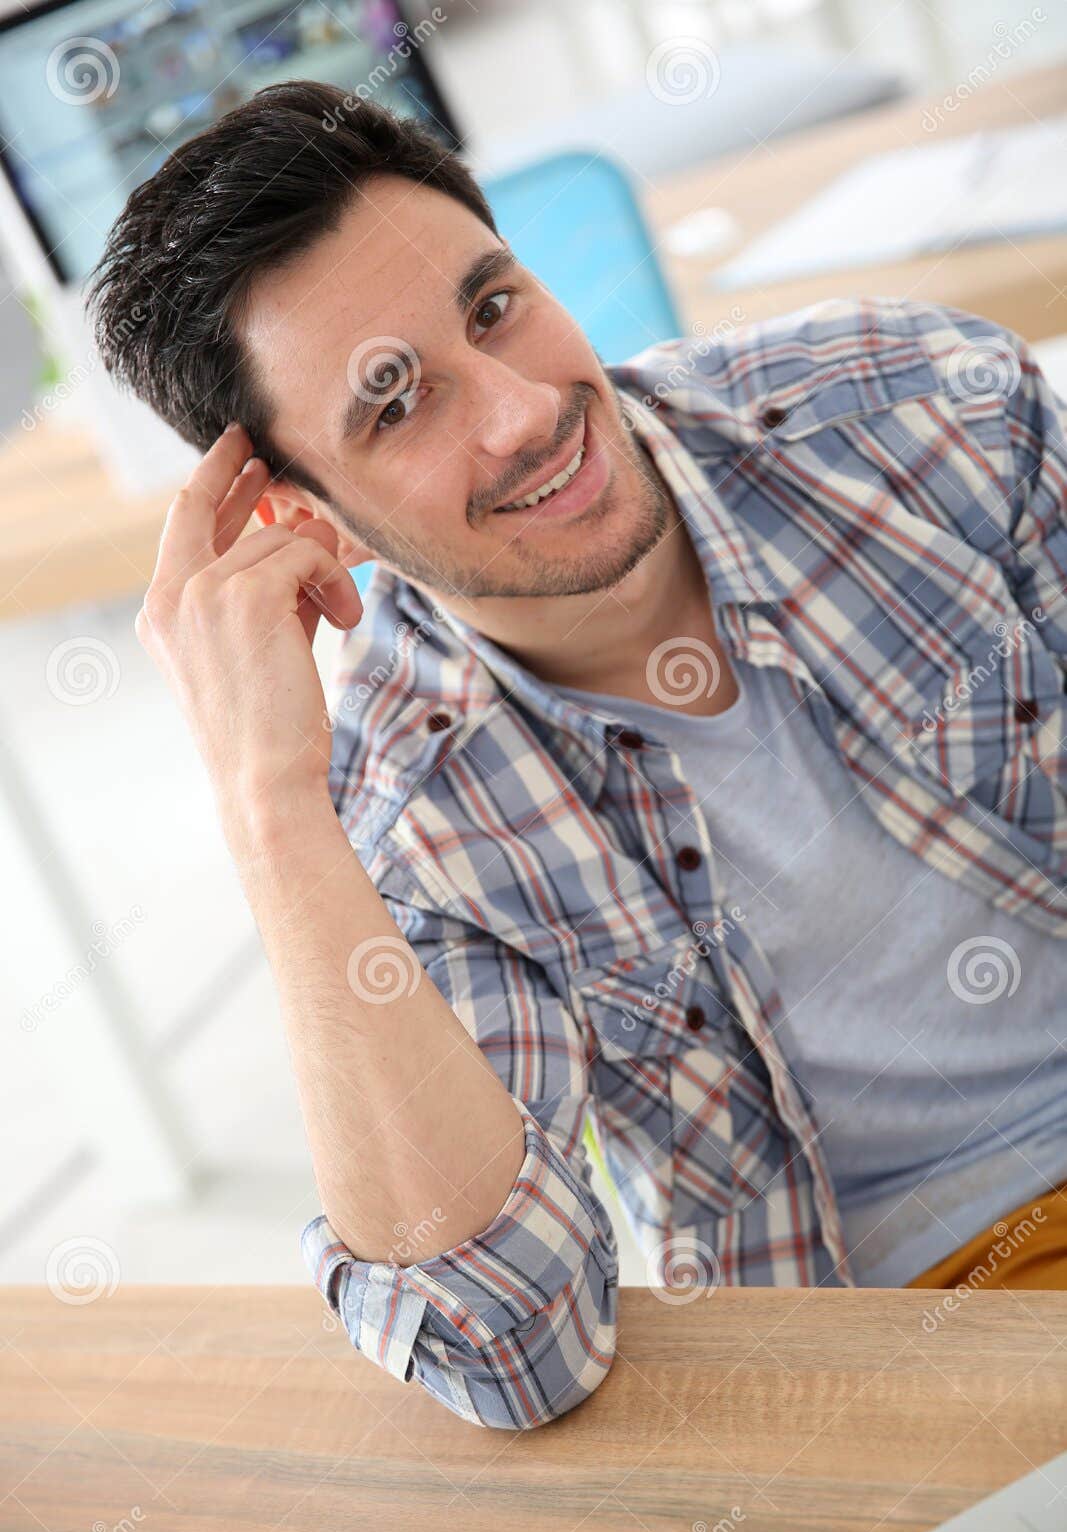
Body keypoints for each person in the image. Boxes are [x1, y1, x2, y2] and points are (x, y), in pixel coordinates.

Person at [87, 81, 1067, 1432]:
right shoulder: (415, 817)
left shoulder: (922, 413)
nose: (521, 414)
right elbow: (510, 1350)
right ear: (313, 519)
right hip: (916, 1353)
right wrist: (269, 809)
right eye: (396, 404)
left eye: (492, 309)